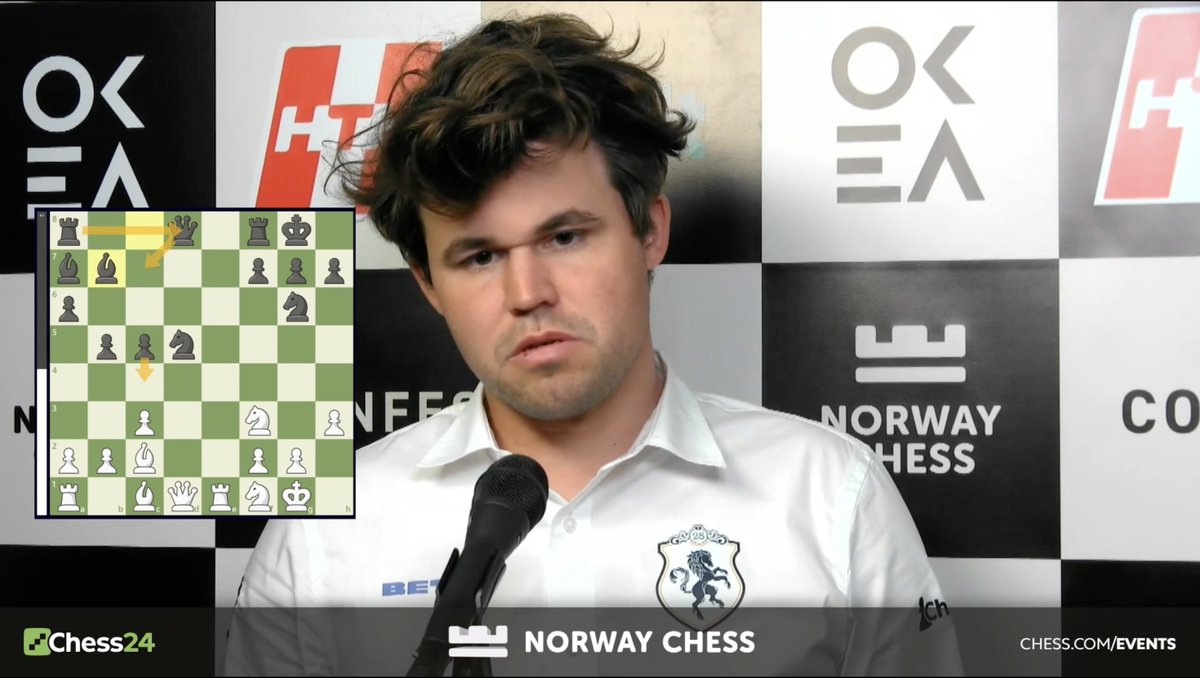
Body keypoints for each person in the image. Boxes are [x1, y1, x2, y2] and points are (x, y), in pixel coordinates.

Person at [225, 12, 962, 676]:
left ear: (650, 231)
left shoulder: (831, 497)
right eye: (479, 256)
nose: (527, 292)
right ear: (428, 284)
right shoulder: (326, 535)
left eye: (565, 237)